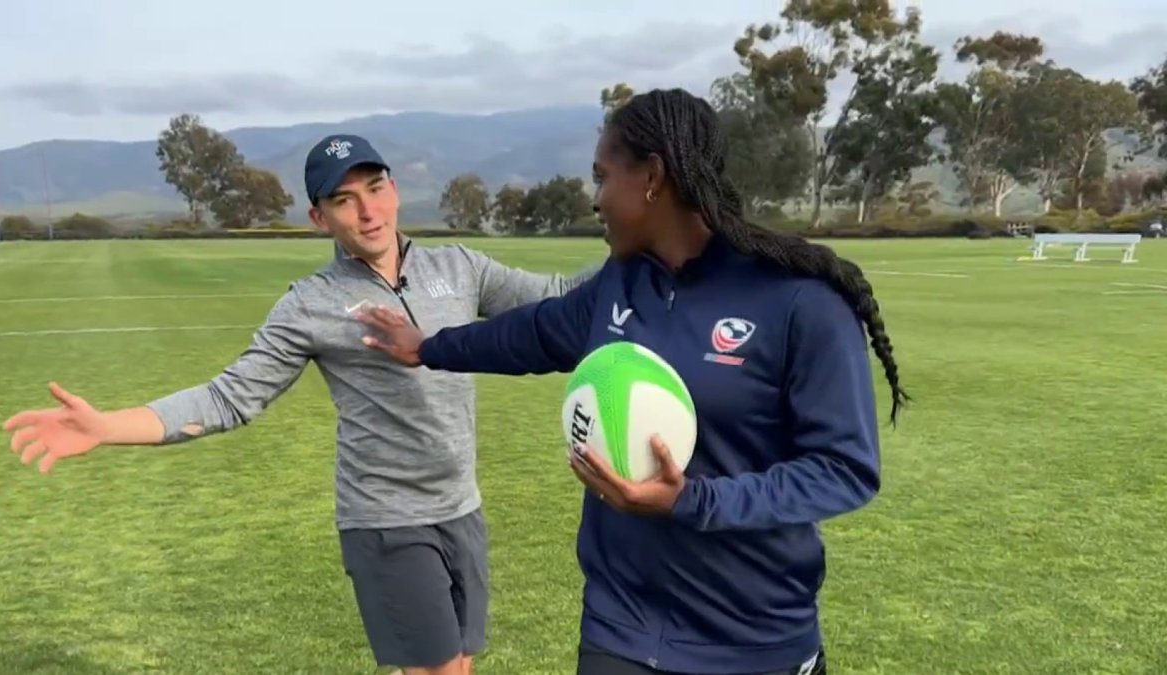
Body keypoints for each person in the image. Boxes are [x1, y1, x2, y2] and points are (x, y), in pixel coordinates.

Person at [2, 133, 599, 675]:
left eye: (375, 188)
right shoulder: (309, 304)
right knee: (438, 670)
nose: (367, 210)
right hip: (386, 519)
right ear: (319, 217)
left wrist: (654, 239)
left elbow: (560, 299)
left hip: (461, 507)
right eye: (343, 200)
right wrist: (106, 426)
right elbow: (228, 396)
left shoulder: (459, 266)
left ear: (393, 188)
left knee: (459, 665)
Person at [358, 89, 909, 675]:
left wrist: (692, 501)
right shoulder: (622, 283)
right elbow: (535, 334)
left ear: (652, 176)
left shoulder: (800, 301)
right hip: (620, 628)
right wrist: (429, 348)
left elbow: (843, 470)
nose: (596, 200)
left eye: (602, 177)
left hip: (751, 636)